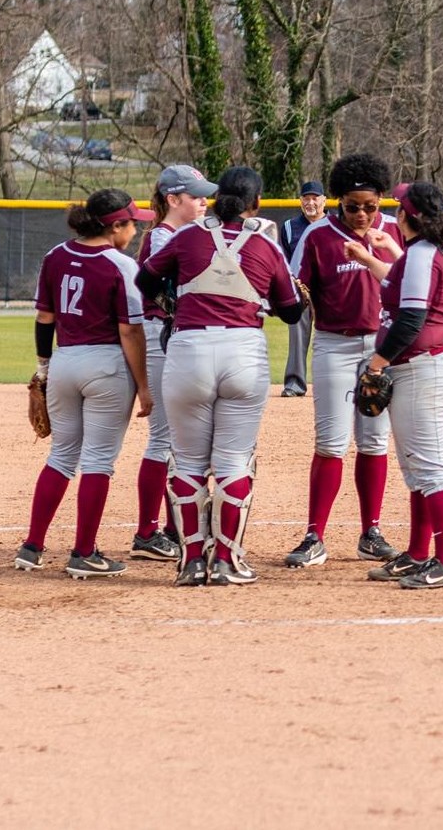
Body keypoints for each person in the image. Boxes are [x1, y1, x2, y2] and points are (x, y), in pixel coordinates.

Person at [136, 166, 307, 586]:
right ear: (256, 203)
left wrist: (174, 302)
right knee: (234, 460)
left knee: (189, 461)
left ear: (214, 200)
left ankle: (192, 561)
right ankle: (228, 560)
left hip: (188, 349)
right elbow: (289, 311)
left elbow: (144, 278)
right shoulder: (267, 245)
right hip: (243, 352)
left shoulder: (187, 237)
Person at [14, 189, 155, 580]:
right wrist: (144, 386)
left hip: (64, 361)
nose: (137, 231)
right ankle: (84, 552)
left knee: (61, 456)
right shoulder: (121, 265)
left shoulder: (55, 256)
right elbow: (129, 331)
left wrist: (44, 366)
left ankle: (32, 546)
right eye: (132, 224)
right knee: (97, 462)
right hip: (106, 365)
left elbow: (44, 318)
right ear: (114, 226)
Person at [283, 153, 404, 569]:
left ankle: (370, 532)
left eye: (371, 206)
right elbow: (298, 290)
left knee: (373, 441)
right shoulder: (318, 236)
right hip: (335, 344)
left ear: (382, 200)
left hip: (381, 349)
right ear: (338, 201)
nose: (362, 214)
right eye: (353, 206)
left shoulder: (392, 234)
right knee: (331, 442)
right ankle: (314, 535)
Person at [351, 182, 443, 589]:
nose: (394, 213)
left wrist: (377, 364)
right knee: (417, 469)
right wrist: (373, 258)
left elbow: (412, 320)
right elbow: (399, 290)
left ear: (408, 216)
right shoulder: (423, 253)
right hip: (422, 366)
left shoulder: (421, 255)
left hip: (425, 368)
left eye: (399, 207)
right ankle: (419, 554)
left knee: (432, 469)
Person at [130, 164, 219, 563]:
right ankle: (149, 532)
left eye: (205, 194)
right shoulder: (163, 238)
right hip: (159, 338)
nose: (204, 201)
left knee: (180, 442)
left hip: (173, 337)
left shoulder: (182, 235)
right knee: (164, 439)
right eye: (195, 195)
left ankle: (171, 527)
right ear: (172, 199)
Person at [280, 180, 327, 396]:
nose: (310, 202)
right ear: (300, 201)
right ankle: (294, 384)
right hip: (301, 289)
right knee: (297, 328)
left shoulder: (333, 224)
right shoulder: (289, 227)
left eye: (314, 198)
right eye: (306, 198)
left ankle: (330, 385)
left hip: (330, 290)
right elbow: (285, 261)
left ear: (324, 201)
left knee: (332, 338)